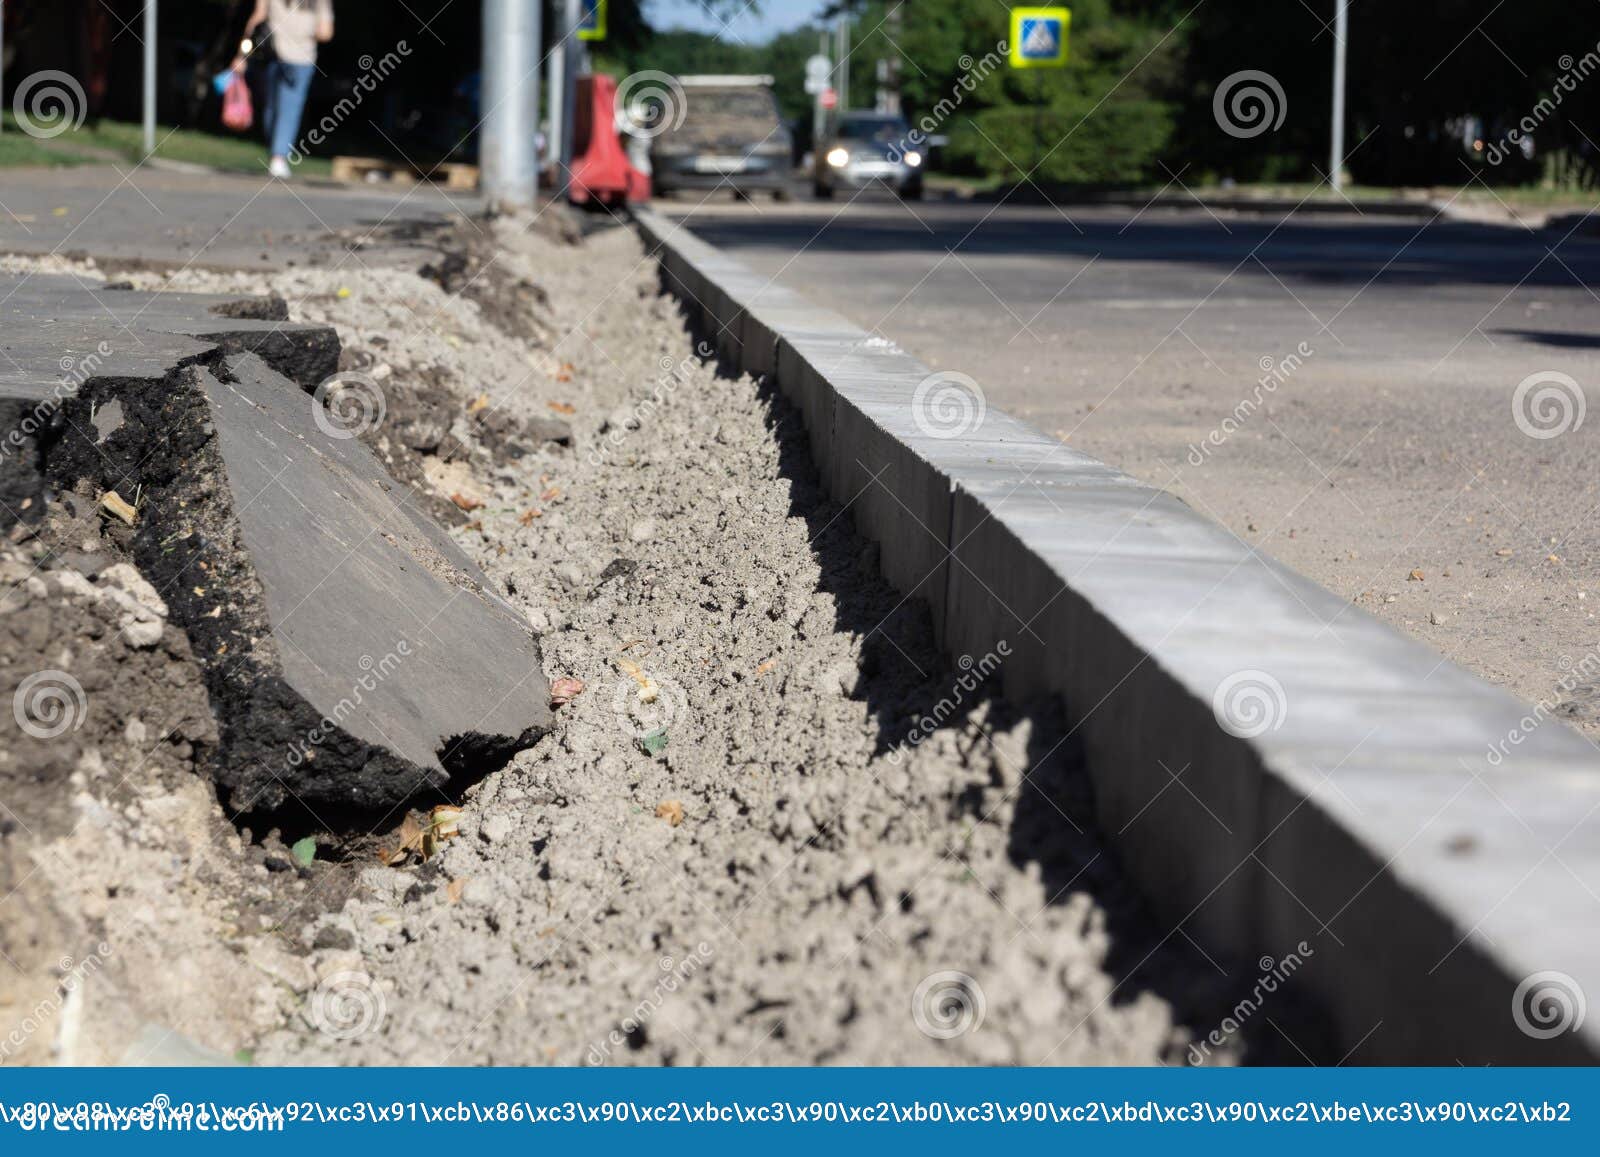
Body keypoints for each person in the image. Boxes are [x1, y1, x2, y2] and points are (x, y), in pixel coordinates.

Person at [234, 0, 334, 179]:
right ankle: (277, 156)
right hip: (293, 57)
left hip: (277, 56)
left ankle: (278, 156)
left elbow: (257, 17)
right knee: (285, 109)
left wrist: (241, 55)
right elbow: (326, 33)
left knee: (274, 107)